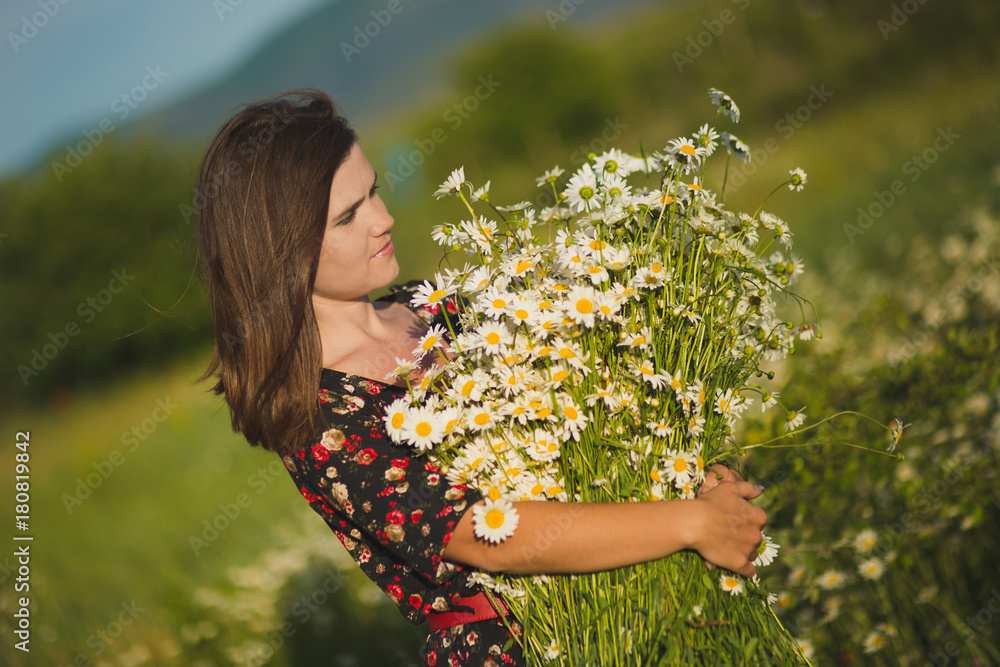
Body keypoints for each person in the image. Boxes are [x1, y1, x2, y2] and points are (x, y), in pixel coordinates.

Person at [195, 88, 768, 666]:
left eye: (374, 191)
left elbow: (595, 417)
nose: (384, 219)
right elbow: (489, 536)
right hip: (524, 649)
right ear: (282, 252)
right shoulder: (318, 416)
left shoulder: (442, 307)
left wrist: (686, 474)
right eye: (348, 215)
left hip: (650, 610)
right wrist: (689, 522)